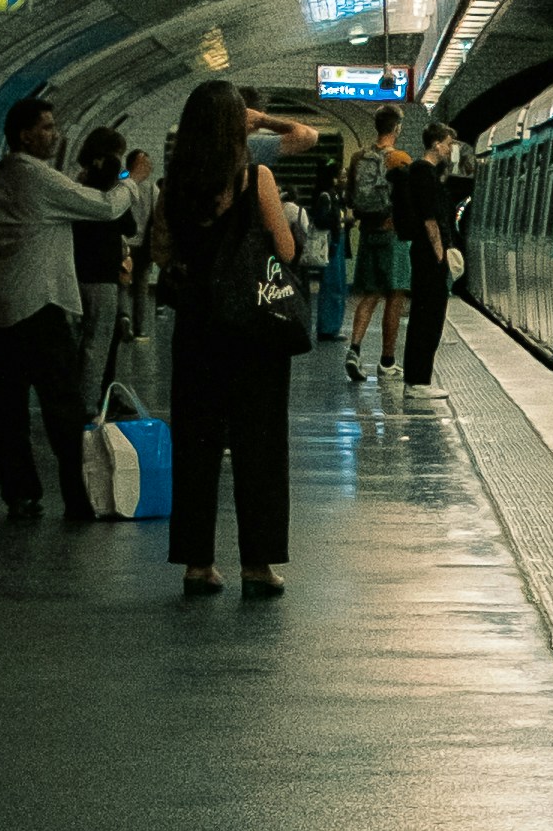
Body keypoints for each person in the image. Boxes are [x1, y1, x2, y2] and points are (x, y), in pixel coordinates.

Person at [158, 78, 303, 598]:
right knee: (258, 445)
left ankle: (198, 565)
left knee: (196, 444)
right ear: (237, 122)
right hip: (252, 331)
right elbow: (283, 251)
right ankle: (258, 567)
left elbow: (161, 251)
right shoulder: (254, 177)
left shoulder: (174, 182)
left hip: (197, 327)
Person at [0, 95, 118, 524]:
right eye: (47, 127)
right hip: (40, 305)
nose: (55, 135)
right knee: (63, 405)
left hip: (0, 308)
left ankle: (19, 492)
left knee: (8, 407)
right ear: (24, 135)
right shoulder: (36, 178)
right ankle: (78, 496)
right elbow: (104, 206)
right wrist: (132, 179)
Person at [69, 127, 140, 438]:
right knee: (98, 341)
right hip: (103, 275)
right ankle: (88, 404)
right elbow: (129, 224)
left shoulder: (73, 185)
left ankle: (73, 397)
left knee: (76, 341)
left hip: (74, 272)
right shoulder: (110, 192)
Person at [387, 116, 467, 389]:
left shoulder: (426, 172)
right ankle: (418, 382)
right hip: (429, 255)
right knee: (427, 319)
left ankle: (419, 379)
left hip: (427, 255)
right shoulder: (423, 172)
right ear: (435, 144)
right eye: (447, 144)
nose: (449, 149)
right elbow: (430, 220)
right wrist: (440, 255)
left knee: (428, 318)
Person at [339, 122, 400, 378]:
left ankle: (354, 349)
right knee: (395, 295)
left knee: (370, 294)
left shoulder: (357, 157)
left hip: (366, 232)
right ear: (397, 128)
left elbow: (350, 198)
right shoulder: (399, 159)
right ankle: (387, 361)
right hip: (391, 233)